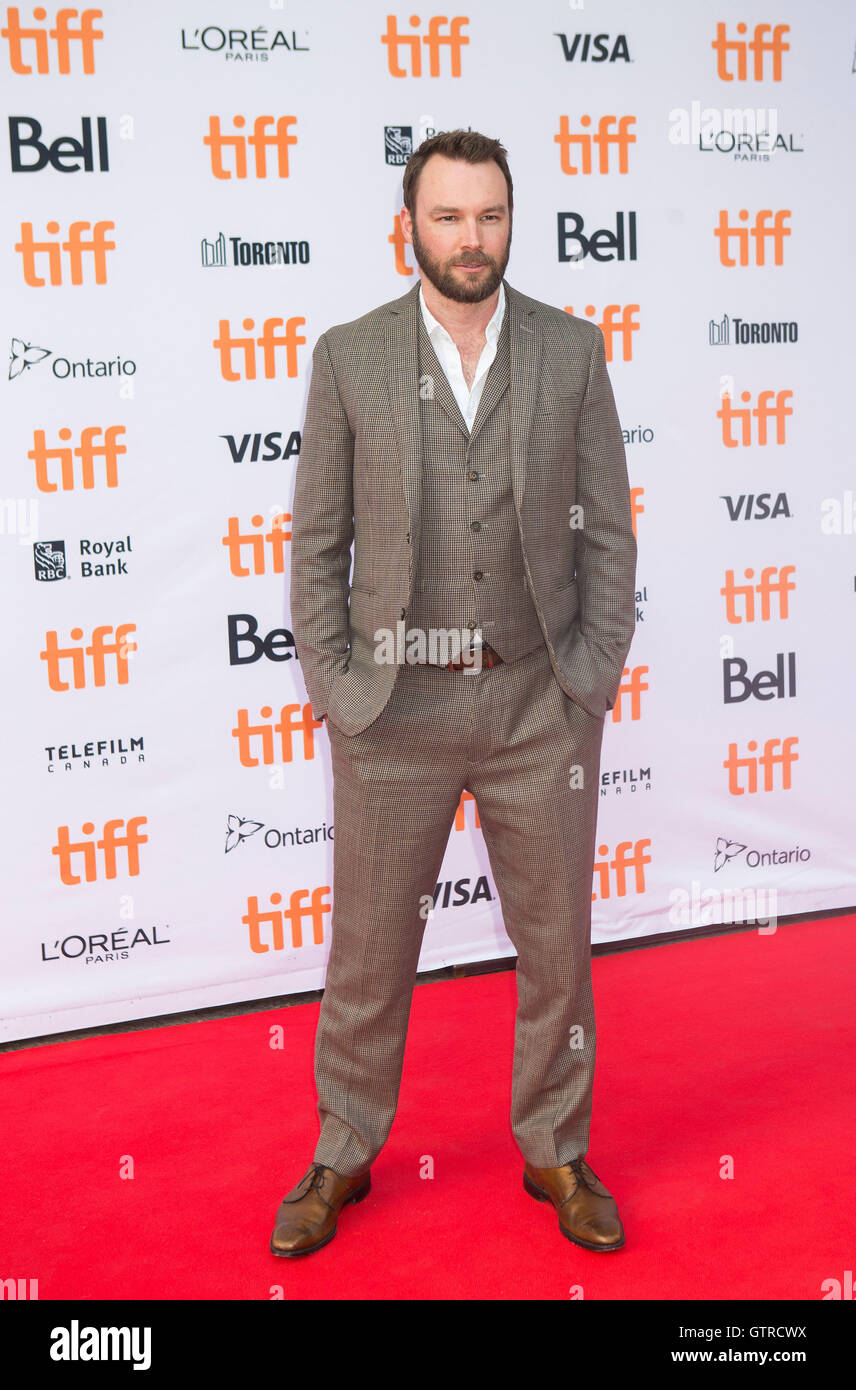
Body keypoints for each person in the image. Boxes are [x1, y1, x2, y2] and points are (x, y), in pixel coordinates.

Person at [271, 129, 636, 1258]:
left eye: (487, 216)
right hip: (395, 713)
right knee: (370, 953)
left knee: (556, 948)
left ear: (510, 220)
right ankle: (343, 1147)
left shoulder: (571, 353)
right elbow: (317, 544)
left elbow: (611, 535)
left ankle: (555, 1150)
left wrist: (587, 679)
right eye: (446, 217)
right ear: (410, 226)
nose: (468, 238)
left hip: (538, 704)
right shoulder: (349, 356)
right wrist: (339, 689)